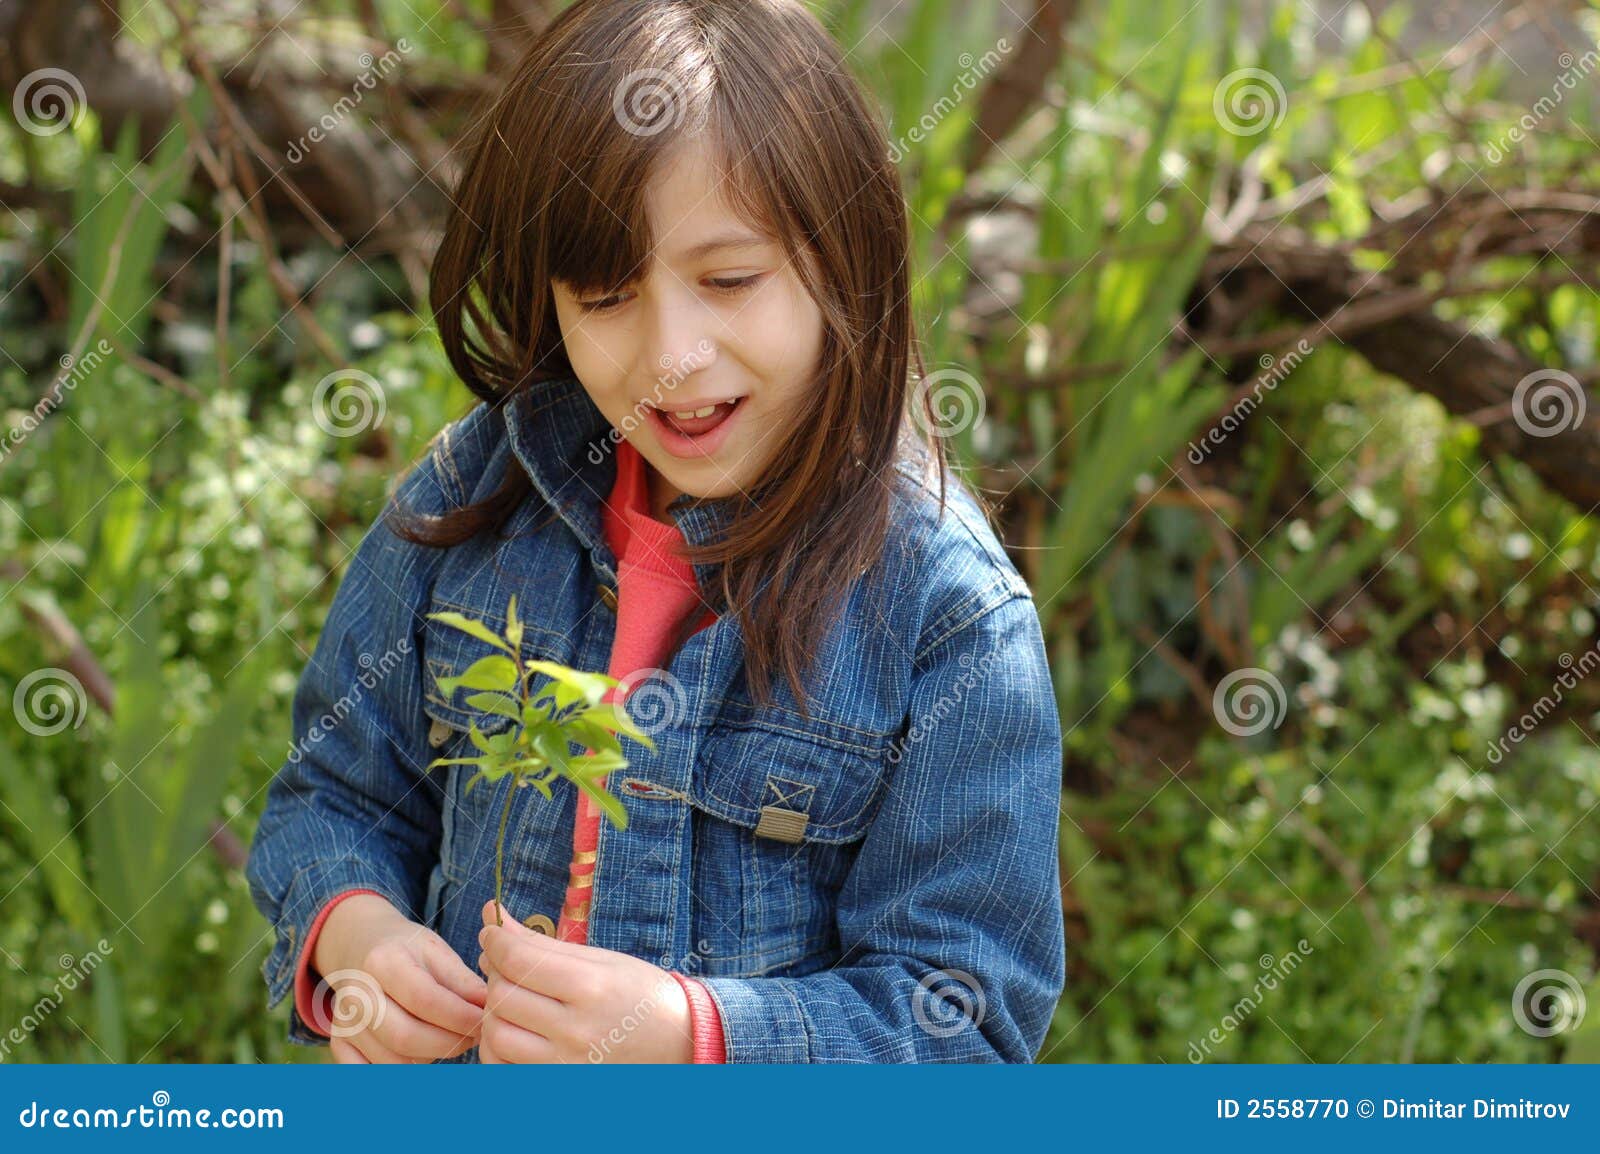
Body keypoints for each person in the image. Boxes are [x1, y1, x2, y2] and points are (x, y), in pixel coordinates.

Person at [245, 0, 1064, 1064]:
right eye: (606, 294)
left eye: (728, 280)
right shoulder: (475, 499)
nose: (671, 354)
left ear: (845, 259)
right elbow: (333, 791)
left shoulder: (946, 619)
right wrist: (354, 941)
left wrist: (692, 1038)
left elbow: (969, 1023)